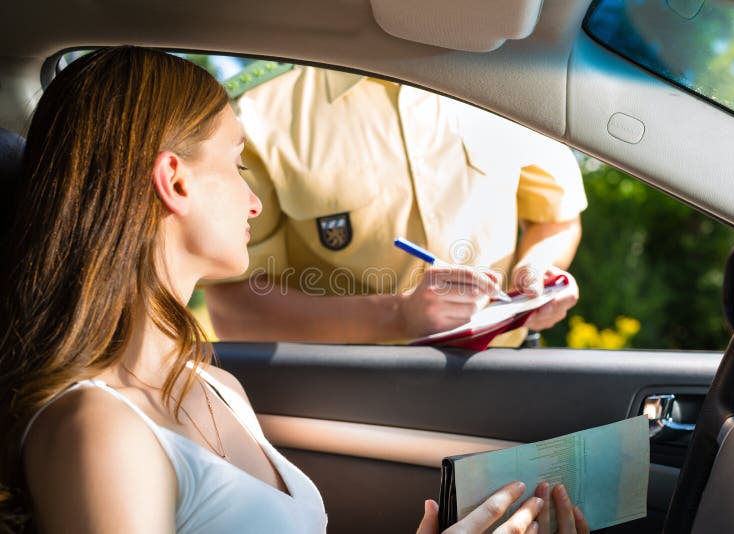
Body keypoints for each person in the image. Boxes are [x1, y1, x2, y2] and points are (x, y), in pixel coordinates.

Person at [0, 47, 588, 533]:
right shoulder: (97, 432)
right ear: (174, 181)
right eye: (237, 166)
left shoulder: (217, 388)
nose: (254, 202)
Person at [204, 65, 587, 346]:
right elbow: (233, 309)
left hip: (505, 375)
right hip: (349, 401)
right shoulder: (259, 112)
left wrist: (534, 273)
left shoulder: (509, 87)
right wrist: (397, 316)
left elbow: (556, 219)